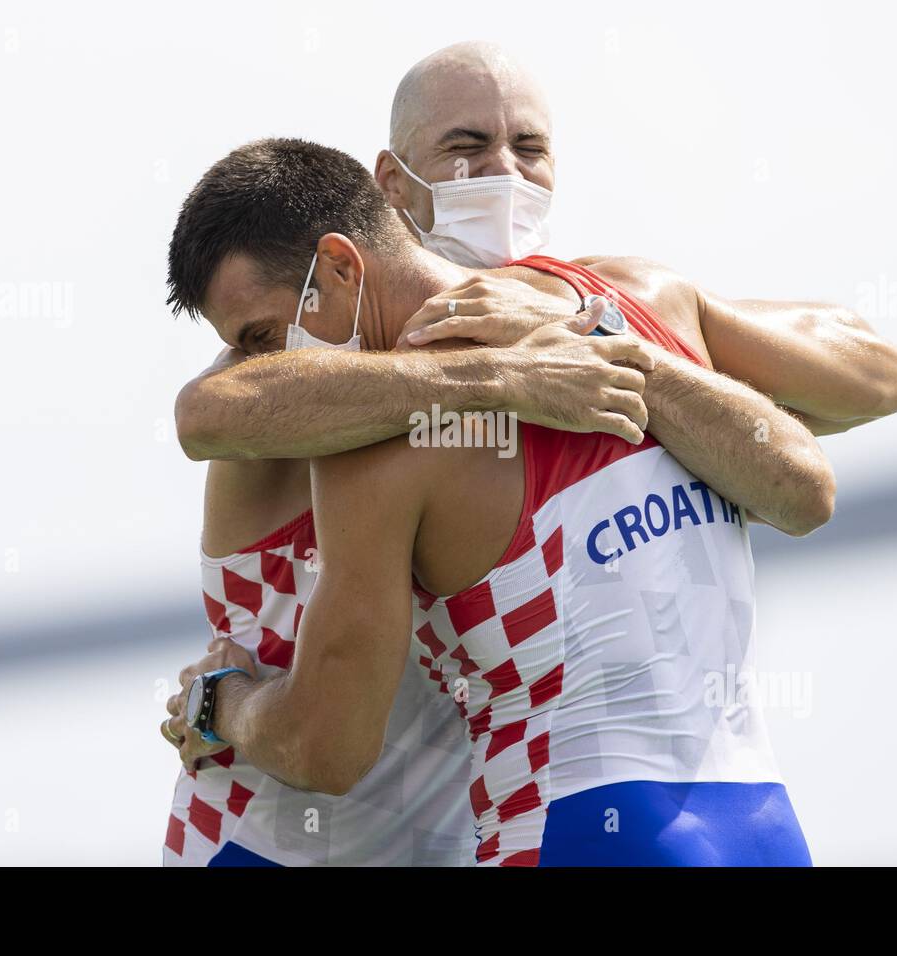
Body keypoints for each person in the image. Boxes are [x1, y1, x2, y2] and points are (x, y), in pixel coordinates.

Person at [163, 137, 842, 865]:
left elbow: (325, 748)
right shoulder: (632, 306)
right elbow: (820, 473)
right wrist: (557, 357)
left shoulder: (376, 449)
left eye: (265, 339)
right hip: (764, 828)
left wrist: (221, 701)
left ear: (339, 265)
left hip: (565, 834)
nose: (269, 364)